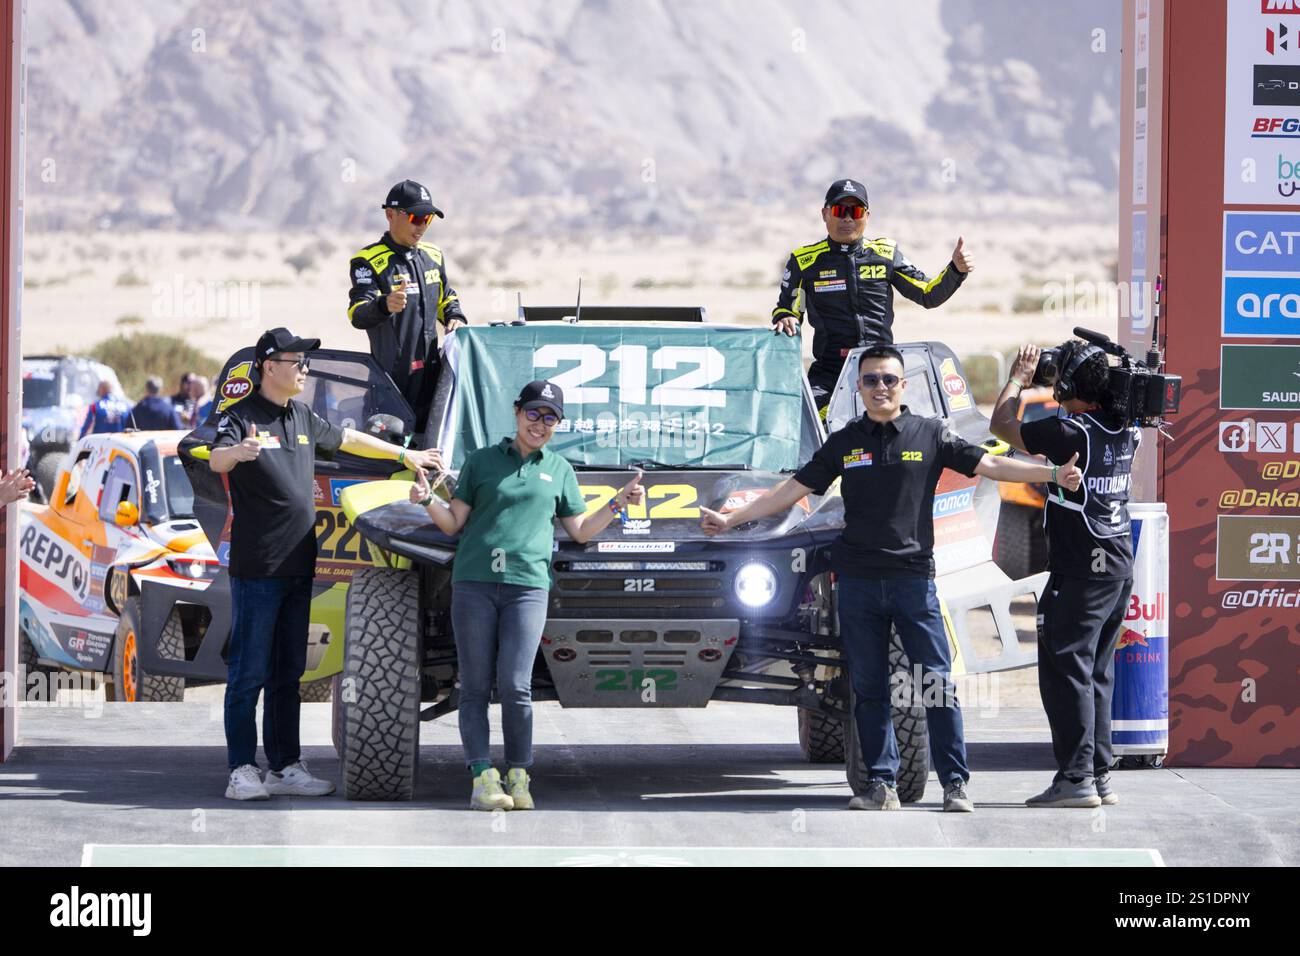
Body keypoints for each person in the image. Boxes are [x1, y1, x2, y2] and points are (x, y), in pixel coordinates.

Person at [700, 345, 1082, 812]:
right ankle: (880, 786)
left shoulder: (931, 434)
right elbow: (793, 489)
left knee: (936, 684)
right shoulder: (844, 441)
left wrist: (1052, 474)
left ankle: (956, 786)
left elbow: (993, 465)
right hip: (857, 584)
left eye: (888, 380)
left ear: (903, 386)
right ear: (858, 387)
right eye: (871, 380)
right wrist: (732, 520)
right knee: (869, 687)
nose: (880, 388)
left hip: (913, 583)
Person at [207, 327, 443, 801]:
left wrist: (406, 453)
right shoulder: (241, 417)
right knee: (248, 673)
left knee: (287, 673)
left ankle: (284, 766)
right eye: (297, 362)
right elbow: (215, 459)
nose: (305, 371)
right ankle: (240, 770)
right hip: (259, 568)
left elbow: (352, 439)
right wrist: (237, 453)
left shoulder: (301, 415)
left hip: (299, 564)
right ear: (270, 367)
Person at [409, 380, 643, 811]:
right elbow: (452, 523)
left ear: (557, 424)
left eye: (550, 417)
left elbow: (579, 531)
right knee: (475, 686)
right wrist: (426, 500)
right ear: (517, 413)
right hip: (475, 585)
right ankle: (482, 776)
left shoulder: (560, 469)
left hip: (528, 589)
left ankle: (519, 774)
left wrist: (617, 503)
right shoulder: (480, 462)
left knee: (516, 686)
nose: (540, 424)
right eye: (533, 413)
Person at [990, 343, 1139, 809]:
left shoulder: (1068, 431)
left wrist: (1018, 378)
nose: (1053, 386)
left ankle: (1076, 779)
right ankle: (1098, 775)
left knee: (1065, 671)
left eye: (1059, 380)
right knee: (1096, 671)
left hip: (1082, 570)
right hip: (1117, 565)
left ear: (1071, 385)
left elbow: (1000, 426)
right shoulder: (1124, 424)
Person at [772, 179, 973, 413]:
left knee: (914, 427)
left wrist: (956, 270)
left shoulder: (885, 254)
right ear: (825, 214)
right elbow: (788, 310)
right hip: (830, 373)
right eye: (840, 210)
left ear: (866, 216)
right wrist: (786, 317)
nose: (848, 218)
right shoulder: (804, 262)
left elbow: (928, 294)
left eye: (855, 211)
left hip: (882, 369)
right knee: (805, 423)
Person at [348, 179, 468, 433]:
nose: (422, 226)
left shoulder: (433, 255)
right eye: (416, 217)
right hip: (390, 381)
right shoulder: (367, 261)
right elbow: (357, 313)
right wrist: (383, 305)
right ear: (391, 214)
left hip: (432, 377)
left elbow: (446, 296)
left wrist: (454, 315)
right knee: (393, 452)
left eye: (429, 219)